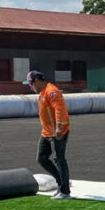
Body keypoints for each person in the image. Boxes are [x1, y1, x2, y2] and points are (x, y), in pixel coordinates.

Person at [24, 70, 71, 199]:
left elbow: (59, 109)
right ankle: (61, 182)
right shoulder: (42, 92)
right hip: (47, 132)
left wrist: (59, 128)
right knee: (41, 158)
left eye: (31, 84)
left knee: (59, 159)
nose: (30, 87)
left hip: (57, 131)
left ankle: (65, 190)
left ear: (38, 81)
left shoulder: (51, 91)